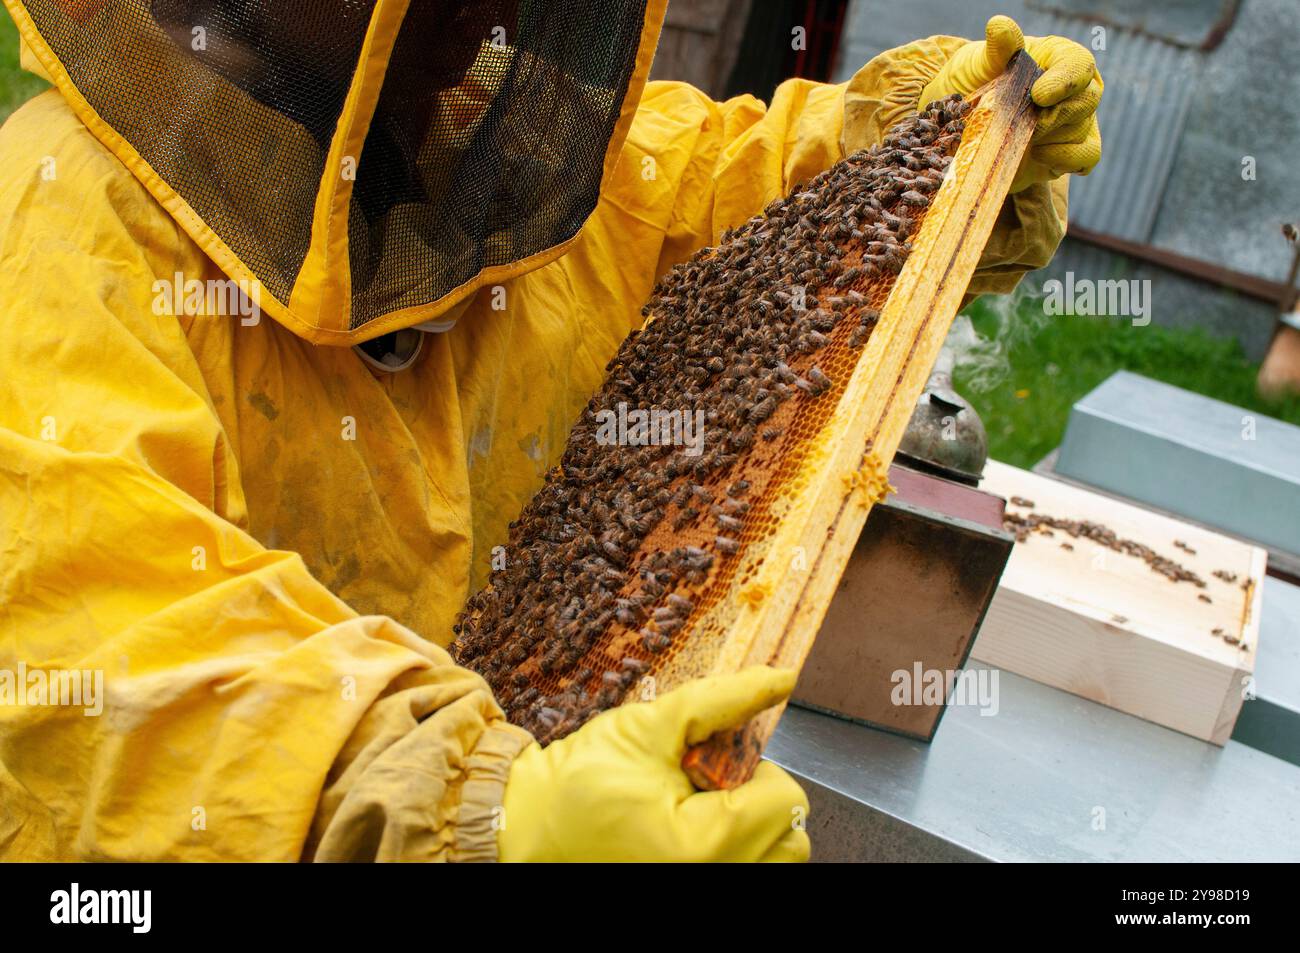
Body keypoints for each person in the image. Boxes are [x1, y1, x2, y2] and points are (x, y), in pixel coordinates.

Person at [0, 3, 1100, 862]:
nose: (474, 25)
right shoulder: (57, 235)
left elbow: (706, 209)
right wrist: (478, 809)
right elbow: (102, 663)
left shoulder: (480, 154)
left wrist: (915, 151)